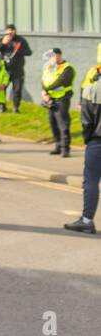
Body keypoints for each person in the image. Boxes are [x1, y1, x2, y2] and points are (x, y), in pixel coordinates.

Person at [65, 65, 101, 234]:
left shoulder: (91, 89)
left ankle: (87, 220)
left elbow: (86, 121)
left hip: (98, 141)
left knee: (92, 181)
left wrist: (88, 140)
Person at [41, 48, 76, 158]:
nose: (52, 58)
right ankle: (58, 145)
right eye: (51, 56)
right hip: (51, 98)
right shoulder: (49, 67)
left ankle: (65, 148)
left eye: (55, 55)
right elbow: (43, 80)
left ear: (60, 55)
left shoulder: (67, 68)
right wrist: (44, 93)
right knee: (53, 123)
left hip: (62, 99)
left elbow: (61, 82)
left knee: (63, 124)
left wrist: (46, 90)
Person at [0, 25, 32, 113]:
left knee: (17, 90)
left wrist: (18, 50)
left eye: (12, 31)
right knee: (3, 89)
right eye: (8, 31)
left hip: (18, 70)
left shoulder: (21, 40)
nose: (10, 33)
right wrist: (3, 43)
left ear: (15, 31)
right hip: (5, 70)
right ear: (5, 32)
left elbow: (29, 52)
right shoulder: (3, 39)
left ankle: (16, 108)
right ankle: (2, 106)